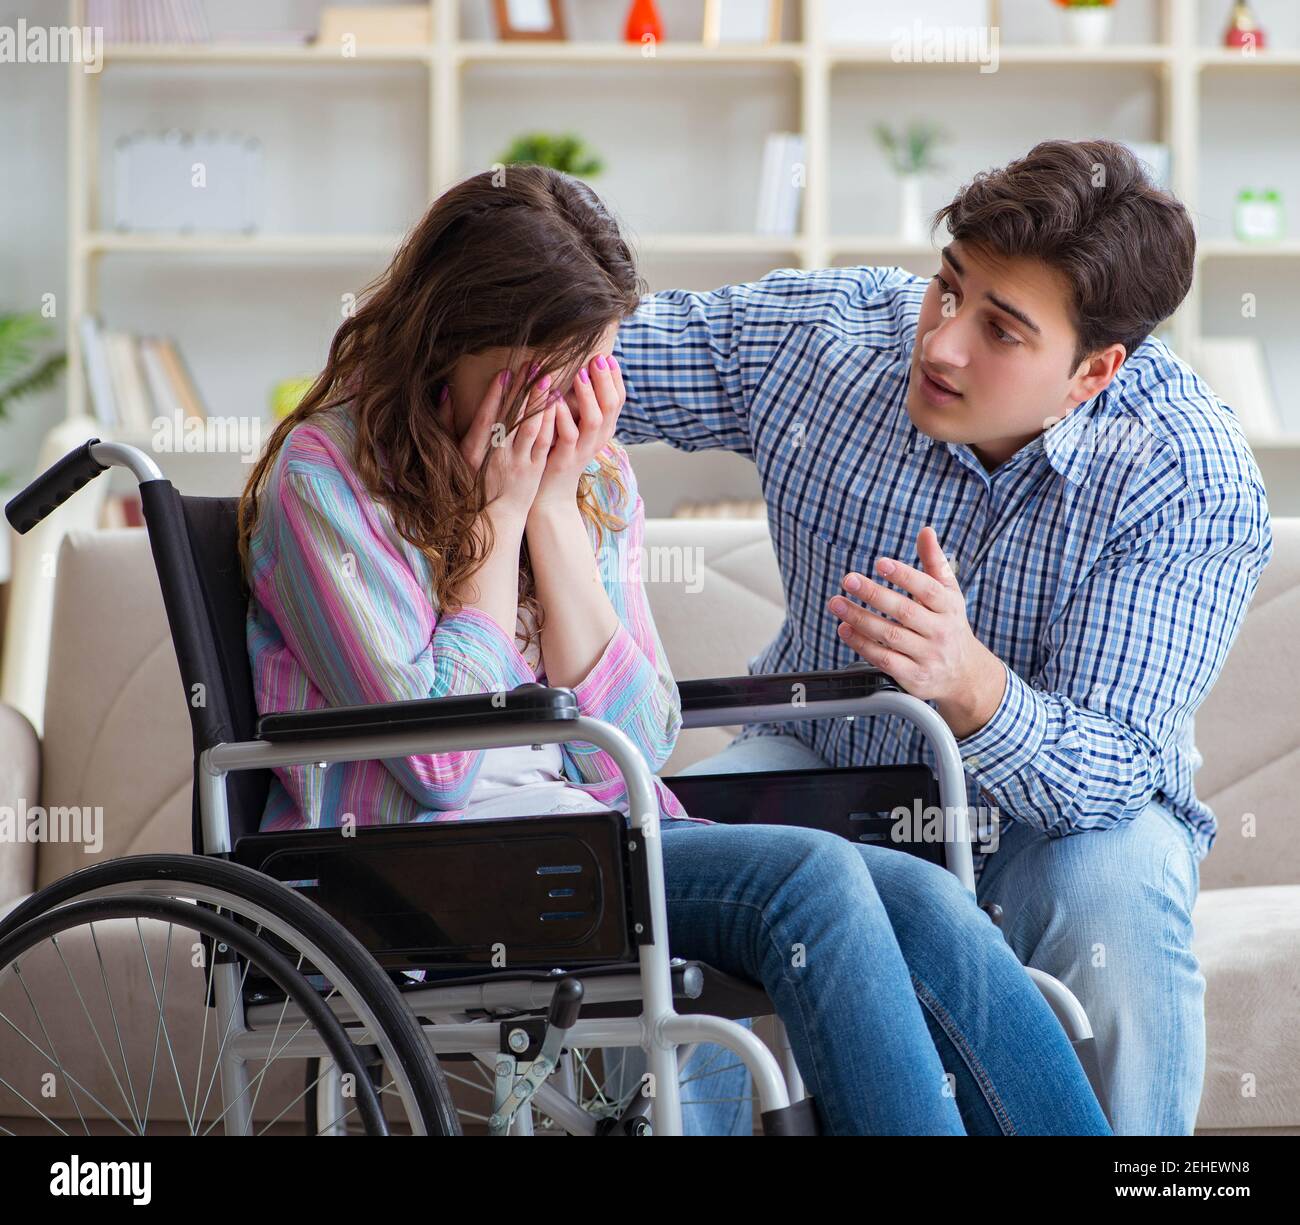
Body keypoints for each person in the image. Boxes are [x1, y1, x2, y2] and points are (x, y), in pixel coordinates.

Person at [236, 164, 1111, 1136]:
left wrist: (558, 516)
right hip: (412, 866)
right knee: (812, 879)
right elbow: (438, 768)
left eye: (591, 373)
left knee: (915, 889)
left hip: (586, 837)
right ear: (452, 344)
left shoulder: (587, 467)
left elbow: (638, 739)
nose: (569, 409)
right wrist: (497, 520)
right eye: (543, 377)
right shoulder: (325, 481)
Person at [610, 139, 1274, 1135]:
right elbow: (576, 357)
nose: (942, 343)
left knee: (1114, 901)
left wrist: (969, 686)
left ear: (1093, 370)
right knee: (664, 872)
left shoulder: (1189, 475)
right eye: (947, 289)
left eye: (1001, 329)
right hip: (821, 756)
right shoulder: (824, 340)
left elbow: (1113, 768)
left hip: (1056, 816)